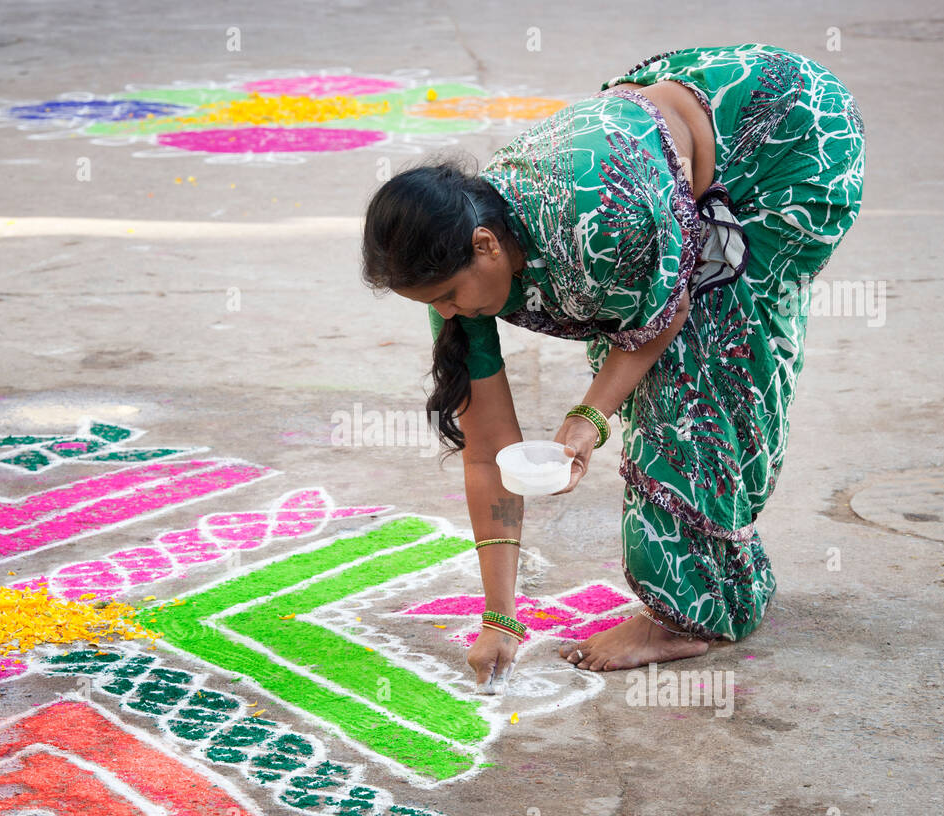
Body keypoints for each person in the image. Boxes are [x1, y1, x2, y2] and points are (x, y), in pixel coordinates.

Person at [360, 43, 865, 680]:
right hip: (672, 157)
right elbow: (489, 451)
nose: (448, 314)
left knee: (697, 376)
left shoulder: (596, 222)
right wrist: (499, 617)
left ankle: (686, 615)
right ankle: (710, 571)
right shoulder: (461, 267)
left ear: (485, 245)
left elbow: (667, 309)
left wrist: (589, 418)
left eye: (446, 298)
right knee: (644, 354)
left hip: (788, 135)